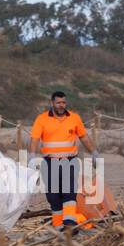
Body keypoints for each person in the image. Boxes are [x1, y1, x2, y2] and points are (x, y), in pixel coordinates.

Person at [29, 91, 97, 232]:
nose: (61, 105)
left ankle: (69, 222)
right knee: (53, 196)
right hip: (49, 162)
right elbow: (35, 138)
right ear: (52, 103)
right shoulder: (41, 119)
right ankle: (58, 225)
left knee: (69, 192)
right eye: (58, 102)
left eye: (63, 102)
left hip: (70, 161)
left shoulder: (74, 118)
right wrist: (31, 156)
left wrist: (94, 152)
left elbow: (83, 137)